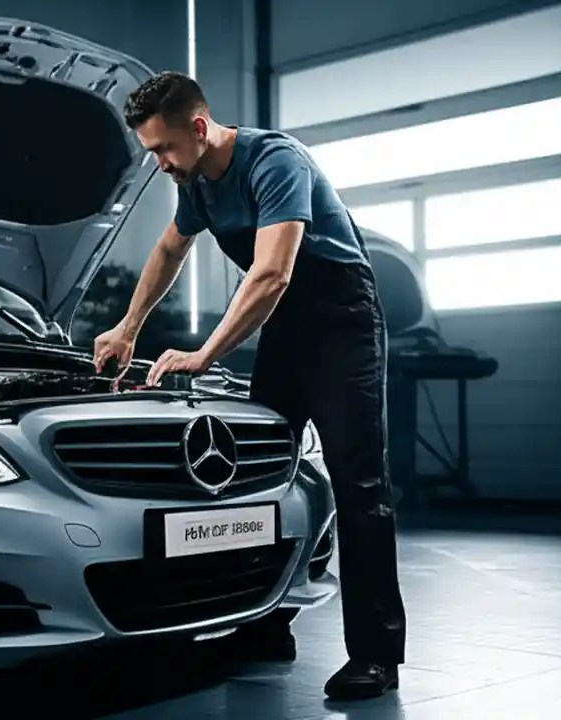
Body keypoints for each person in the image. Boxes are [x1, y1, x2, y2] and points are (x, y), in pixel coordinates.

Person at [91, 71, 407, 701]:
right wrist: (128, 326)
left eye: (163, 149)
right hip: (285, 326)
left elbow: (271, 275)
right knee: (262, 473)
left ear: (200, 128)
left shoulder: (275, 161)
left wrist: (205, 353)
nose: (159, 164)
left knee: (357, 480)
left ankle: (376, 655)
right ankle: (265, 624)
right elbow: (167, 251)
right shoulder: (199, 183)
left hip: (341, 320)